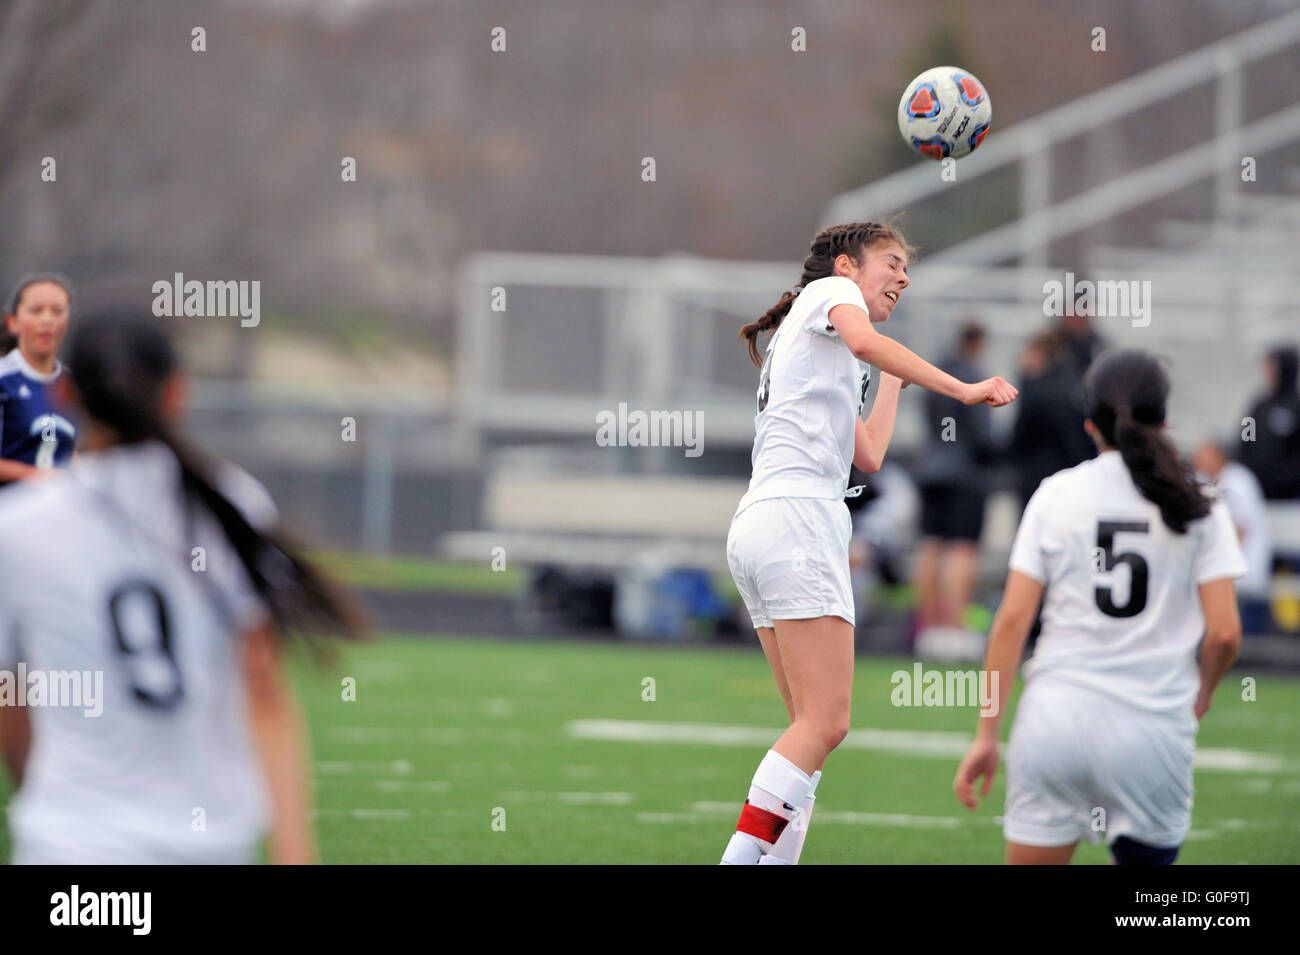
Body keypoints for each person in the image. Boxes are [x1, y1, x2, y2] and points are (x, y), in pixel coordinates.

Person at [0, 304, 366, 864]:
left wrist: (53, 801)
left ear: (64, 395)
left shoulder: (21, 528)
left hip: (71, 852)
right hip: (204, 846)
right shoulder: (230, 503)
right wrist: (295, 852)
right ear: (177, 393)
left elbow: (11, 701)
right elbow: (264, 690)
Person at [722, 221, 1018, 865]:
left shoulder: (823, 326)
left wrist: (891, 385)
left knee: (811, 730)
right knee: (826, 723)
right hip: (799, 521)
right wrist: (964, 388)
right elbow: (867, 340)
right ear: (847, 266)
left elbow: (871, 454)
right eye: (892, 262)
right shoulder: (838, 296)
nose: (903, 277)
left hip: (764, 523)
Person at [953, 349, 1245, 865]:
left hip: (1055, 722)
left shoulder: (1055, 494)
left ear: (1090, 424)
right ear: (1166, 419)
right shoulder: (1202, 501)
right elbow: (1224, 634)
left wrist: (986, 734)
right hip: (1151, 730)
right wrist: (1202, 694)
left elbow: (1012, 622)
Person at [912, 321, 996, 655]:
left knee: (931, 546)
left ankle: (928, 629)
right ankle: (952, 628)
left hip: (932, 468)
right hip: (963, 474)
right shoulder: (972, 376)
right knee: (961, 550)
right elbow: (982, 436)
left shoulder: (935, 376)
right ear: (977, 343)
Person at [0, 274, 77, 484]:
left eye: (57, 311)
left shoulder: (70, 385)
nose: (47, 320)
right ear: (13, 322)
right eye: (36, 310)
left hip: (56, 513)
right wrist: (44, 479)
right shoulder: (4, 379)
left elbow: (72, 453)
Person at [1007, 329, 1095, 513]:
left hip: (1035, 479)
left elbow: (1019, 437)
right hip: (1069, 476)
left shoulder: (1035, 389)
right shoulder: (1072, 386)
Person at [1193, 439, 1272, 634]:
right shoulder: (1203, 479)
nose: (1198, 459)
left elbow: (1239, 530)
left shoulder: (1238, 480)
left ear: (1219, 455)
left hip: (1243, 562)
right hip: (1218, 564)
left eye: (1204, 453)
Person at [1238, 344, 1300, 501]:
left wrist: (1283, 479)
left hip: (1291, 498)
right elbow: (1245, 438)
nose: (1268, 371)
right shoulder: (1258, 406)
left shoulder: (1296, 405)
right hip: (1258, 494)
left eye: (1273, 365)